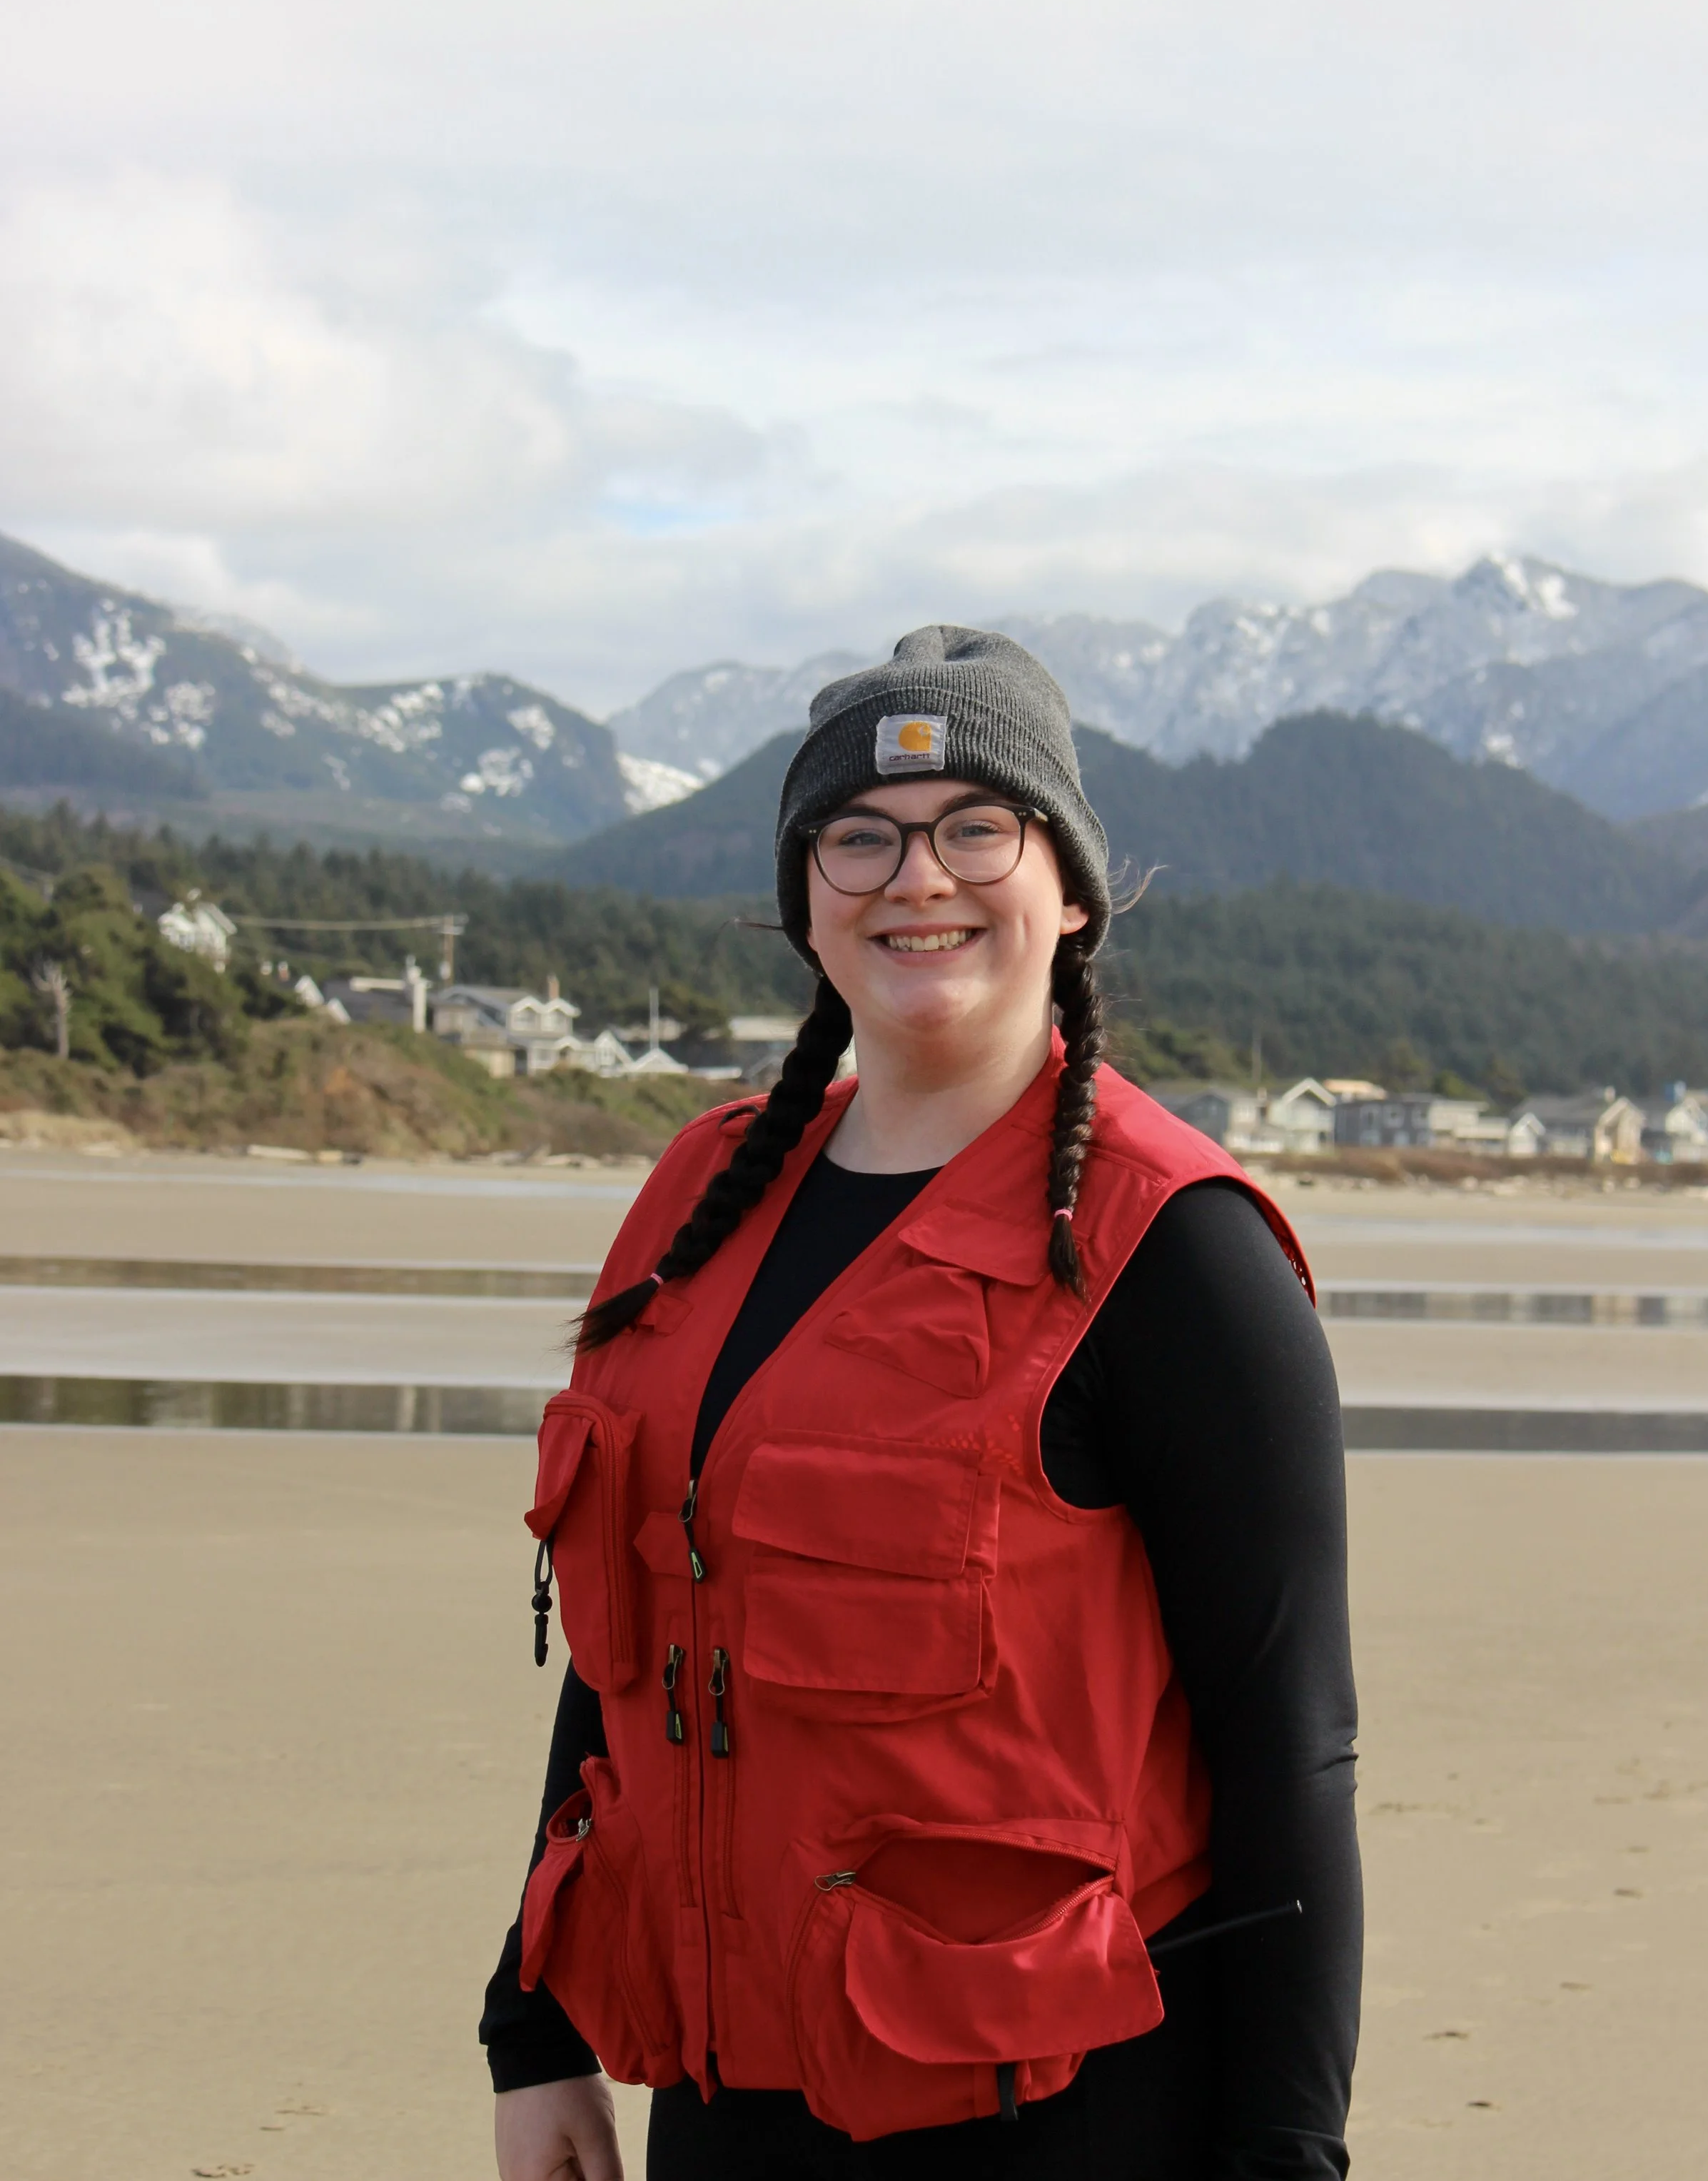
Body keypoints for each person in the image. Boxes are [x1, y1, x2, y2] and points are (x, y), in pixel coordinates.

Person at [481, 626, 1360, 2180]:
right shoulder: (704, 1196)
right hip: (721, 2091)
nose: (915, 878)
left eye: (976, 828)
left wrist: (1284, 2157)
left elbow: (1288, 1743)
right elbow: (639, 1618)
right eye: (860, 839)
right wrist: (532, 2030)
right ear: (804, 896)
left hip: (1046, 2114)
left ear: (1070, 890)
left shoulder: (1175, 1254)